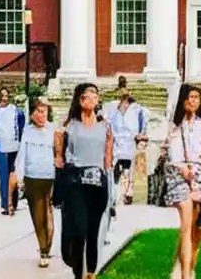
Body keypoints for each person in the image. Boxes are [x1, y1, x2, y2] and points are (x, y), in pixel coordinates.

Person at [55, 83, 113, 279]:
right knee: (79, 229)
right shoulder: (69, 125)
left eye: (96, 96)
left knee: (92, 231)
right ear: (80, 100)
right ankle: (77, 271)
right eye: (88, 96)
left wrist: (109, 182)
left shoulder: (105, 126)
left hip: (98, 183)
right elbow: (59, 157)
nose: (93, 100)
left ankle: (90, 272)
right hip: (76, 182)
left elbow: (107, 158)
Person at [162, 84, 201, 279]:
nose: (194, 101)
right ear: (183, 100)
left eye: (197, 98)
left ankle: (185, 266)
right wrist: (184, 169)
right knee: (186, 227)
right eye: (191, 97)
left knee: (196, 228)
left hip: (200, 178)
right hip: (181, 178)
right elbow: (172, 155)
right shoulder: (176, 126)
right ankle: (185, 274)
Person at [17, 96, 58, 267]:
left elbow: (58, 153)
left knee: (48, 210)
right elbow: (22, 154)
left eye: (44, 111)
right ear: (32, 114)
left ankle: (46, 246)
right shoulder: (27, 131)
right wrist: (19, 176)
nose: (41, 115)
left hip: (50, 175)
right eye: (38, 112)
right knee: (38, 213)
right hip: (33, 175)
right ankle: (43, 248)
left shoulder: (53, 130)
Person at [104, 77, 150, 211]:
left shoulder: (136, 109)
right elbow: (106, 122)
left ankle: (125, 195)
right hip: (116, 145)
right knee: (115, 172)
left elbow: (144, 120)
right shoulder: (112, 108)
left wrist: (141, 134)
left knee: (127, 171)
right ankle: (115, 197)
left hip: (129, 145)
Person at [0, 87, 26, 215]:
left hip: (14, 146)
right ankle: (6, 204)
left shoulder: (16, 111)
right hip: (0, 147)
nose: (5, 98)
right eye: (2, 96)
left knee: (13, 175)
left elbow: (22, 127)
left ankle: (14, 203)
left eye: (6, 96)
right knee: (4, 176)